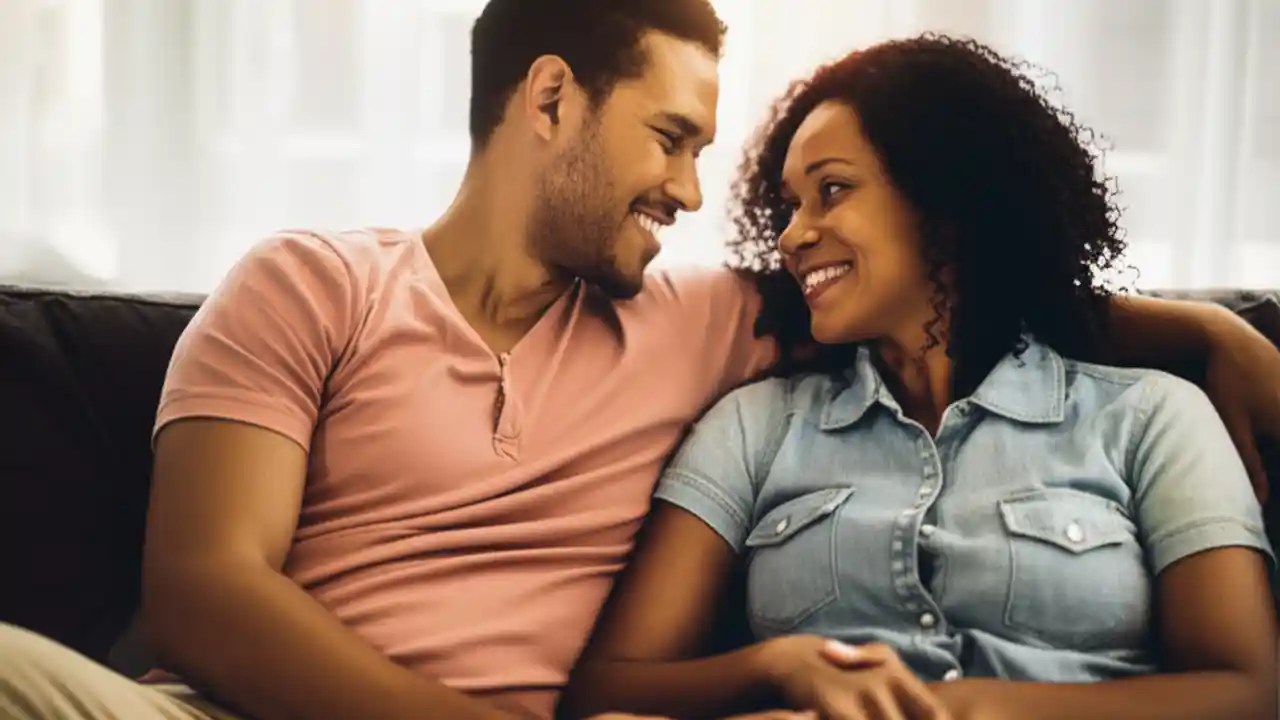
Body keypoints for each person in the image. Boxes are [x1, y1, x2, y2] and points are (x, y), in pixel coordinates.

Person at [0, 3, 1276, 719]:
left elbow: (947, 276)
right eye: (670, 138)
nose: (688, 190)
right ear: (548, 99)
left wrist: (1209, 333)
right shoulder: (308, 283)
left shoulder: (706, 319)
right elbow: (206, 592)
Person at [562, 35, 1278, 720]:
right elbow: (605, 693)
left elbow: (1249, 694)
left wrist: (978, 711)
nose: (792, 234)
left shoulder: (1153, 418)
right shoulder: (754, 427)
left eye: (832, 190)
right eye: (789, 206)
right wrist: (778, 666)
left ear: (945, 202)